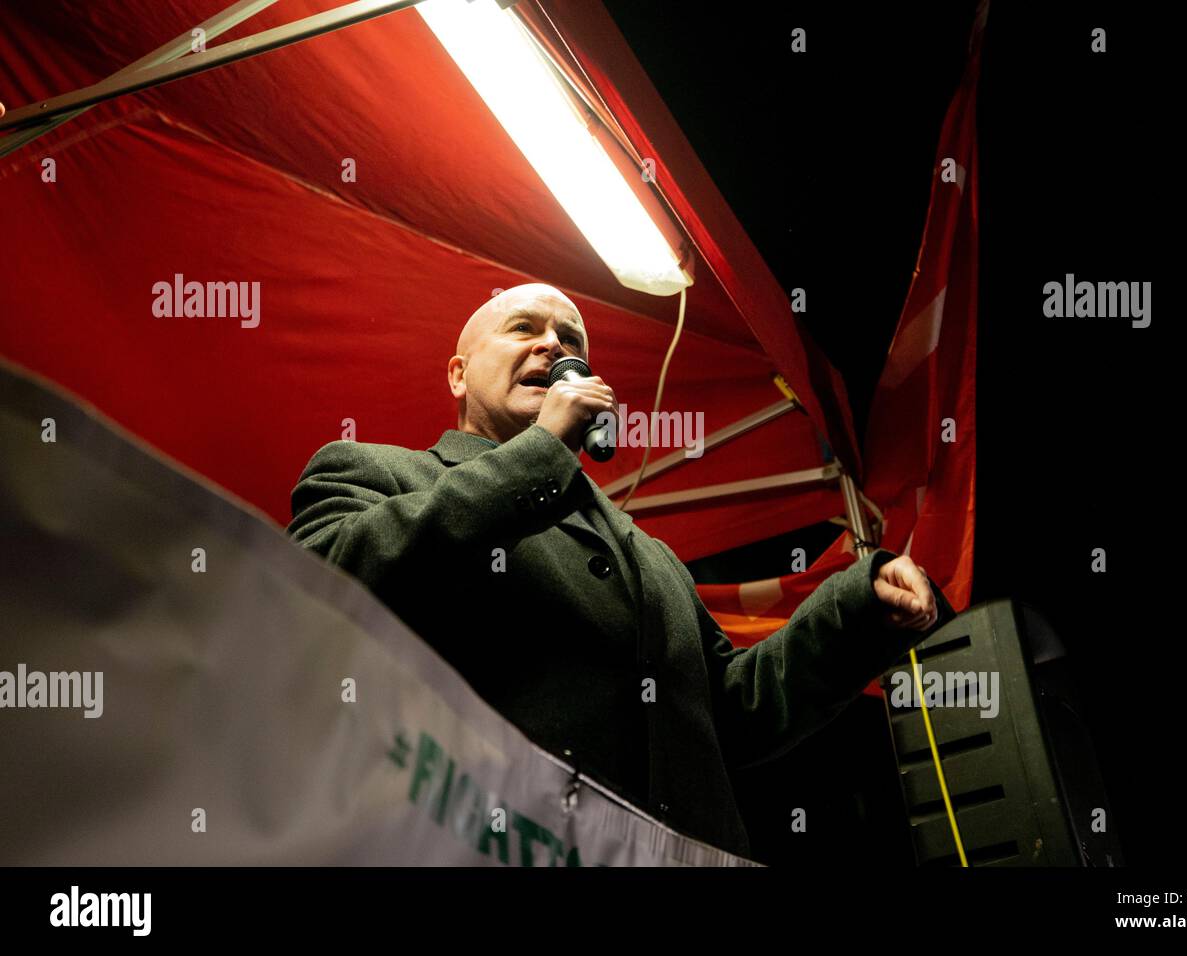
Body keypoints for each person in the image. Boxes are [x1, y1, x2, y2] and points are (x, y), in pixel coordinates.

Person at [286, 283, 955, 858]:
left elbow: (731, 717)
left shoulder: (651, 558)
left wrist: (856, 610)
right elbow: (319, 590)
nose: (553, 345)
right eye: (523, 328)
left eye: (568, 337)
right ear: (459, 374)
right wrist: (543, 451)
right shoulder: (372, 472)